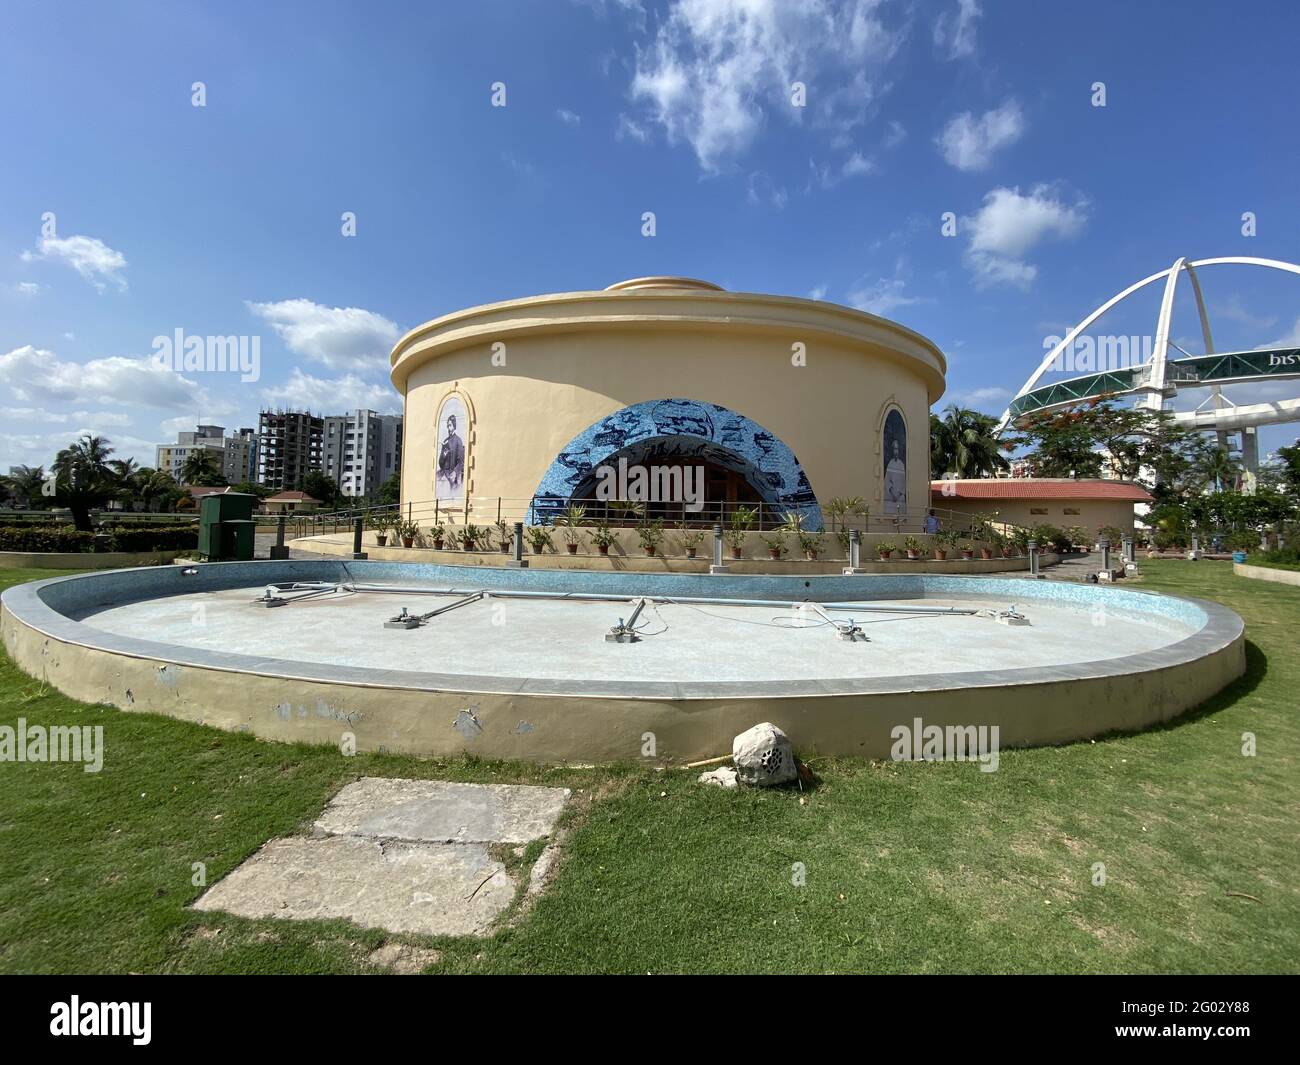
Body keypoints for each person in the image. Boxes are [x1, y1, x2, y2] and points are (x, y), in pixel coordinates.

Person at [437, 413, 465, 496]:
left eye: (450, 425)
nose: (448, 428)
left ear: (454, 426)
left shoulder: (458, 440)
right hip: (444, 473)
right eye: (447, 426)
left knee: (452, 491)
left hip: (452, 474)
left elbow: (461, 461)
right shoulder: (446, 441)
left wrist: (455, 472)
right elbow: (440, 463)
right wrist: (443, 454)